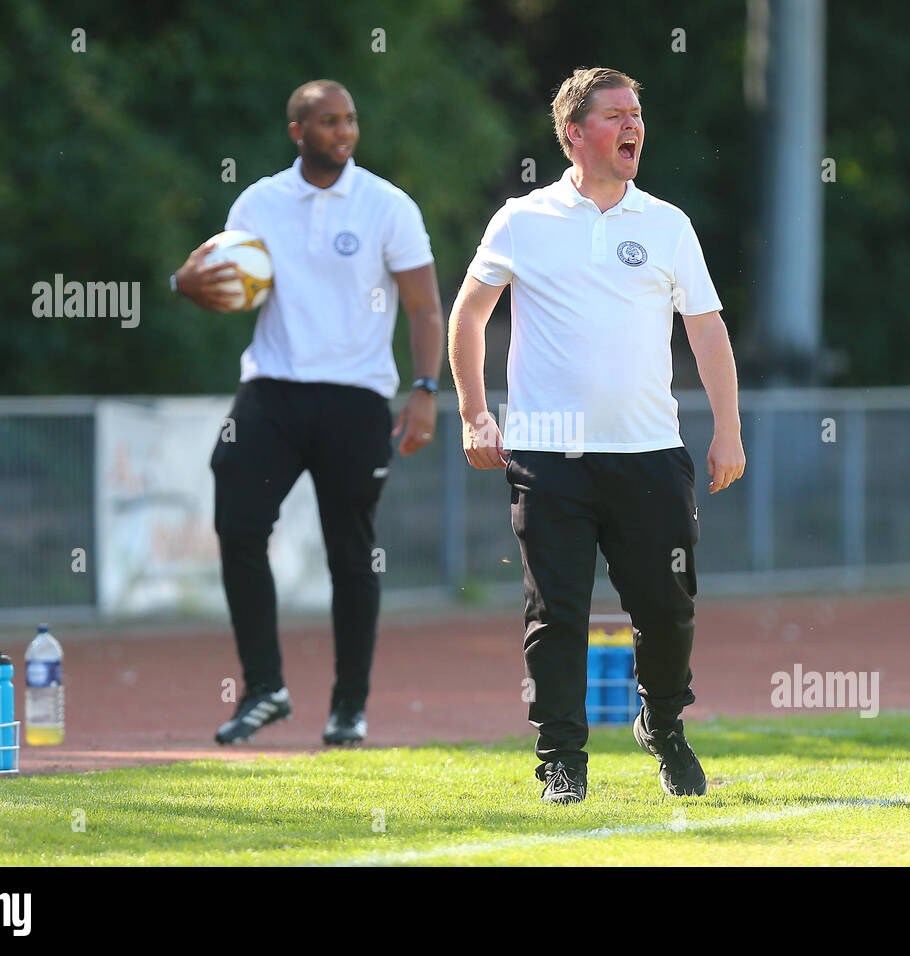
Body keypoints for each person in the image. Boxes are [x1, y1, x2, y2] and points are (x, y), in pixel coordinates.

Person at [448, 67, 746, 802]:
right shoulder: (522, 219)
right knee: (557, 614)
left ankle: (665, 726)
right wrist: (473, 413)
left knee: (667, 608)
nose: (632, 126)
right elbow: (467, 318)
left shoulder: (668, 224)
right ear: (575, 133)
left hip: (649, 451)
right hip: (548, 452)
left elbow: (706, 332)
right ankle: (561, 762)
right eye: (615, 115)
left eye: (637, 114)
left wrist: (729, 431)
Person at [173, 79, 444, 747]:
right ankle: (265, 689)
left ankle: (348, 707)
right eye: (328, 121)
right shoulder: (260, 202)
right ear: (297, 131)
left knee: (351, 554)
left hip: (355, 397)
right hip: (273, 390)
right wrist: (183, 282)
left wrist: (425, 389)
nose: (344, 131)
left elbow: (425, 307)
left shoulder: (388, 206)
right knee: (238, 525)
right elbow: (219, 274)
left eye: (350, 119)